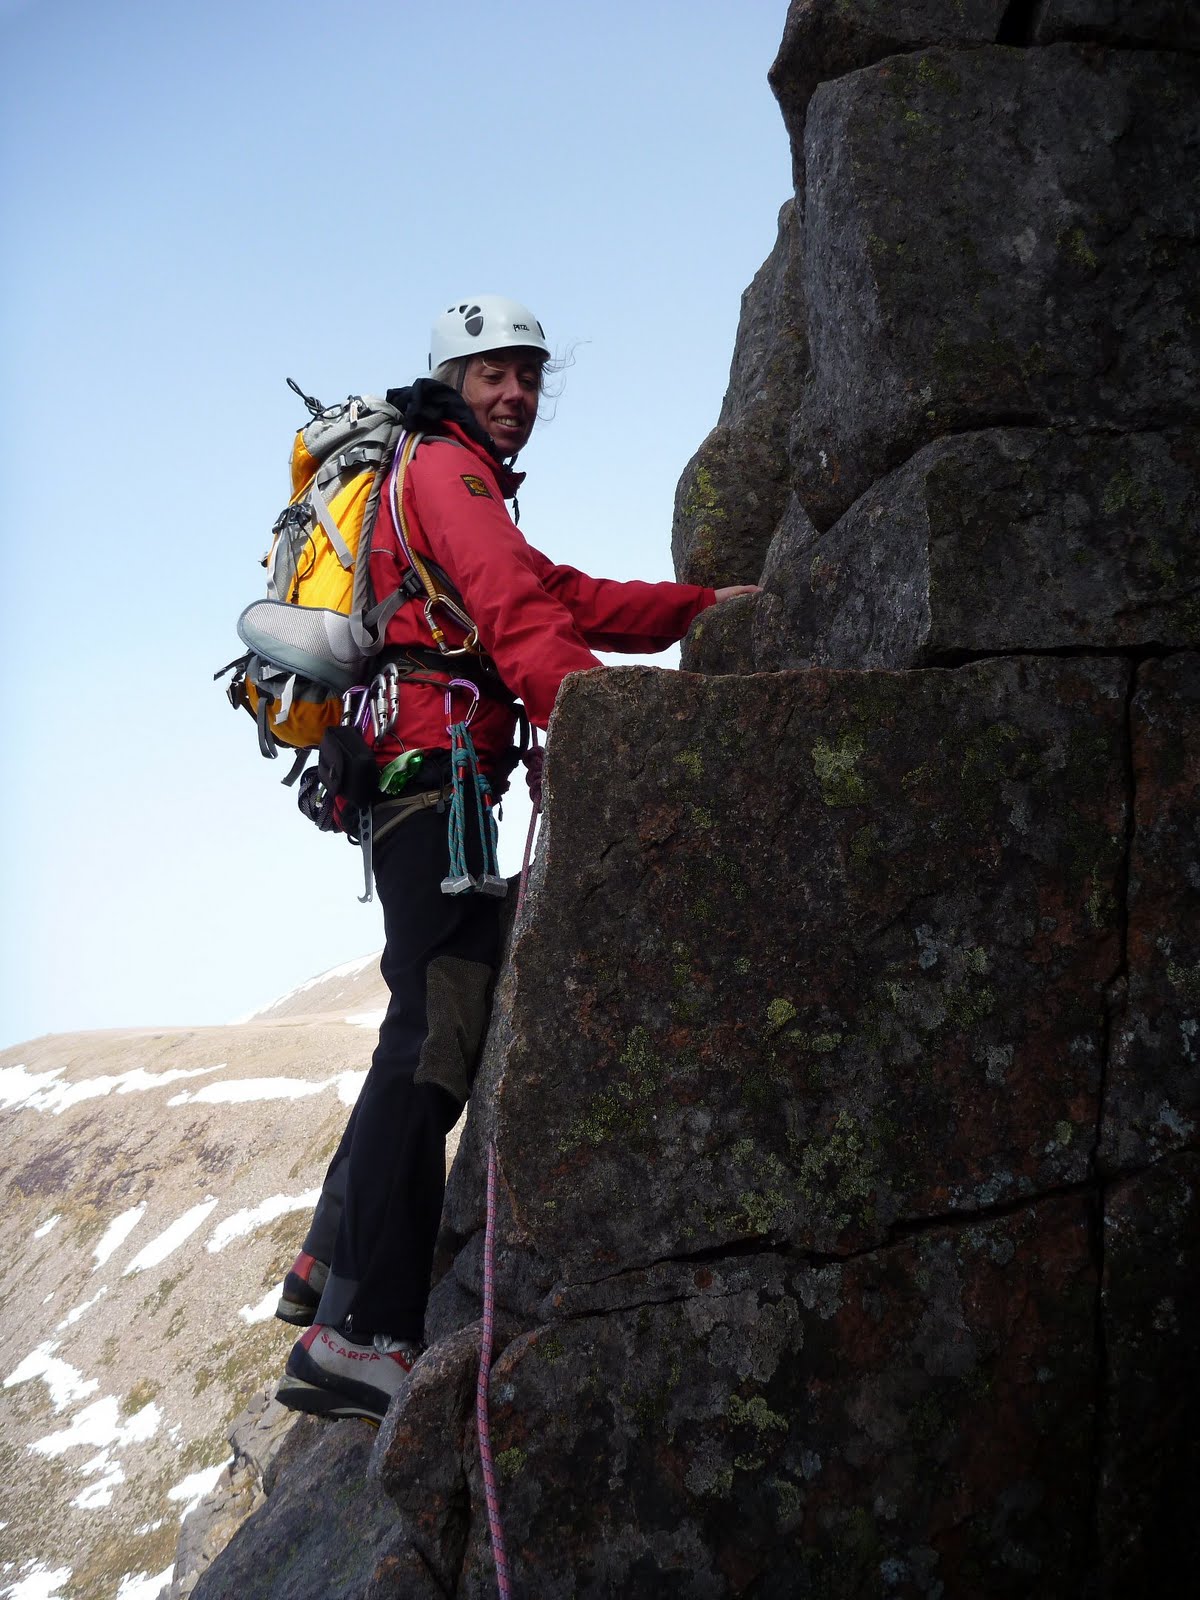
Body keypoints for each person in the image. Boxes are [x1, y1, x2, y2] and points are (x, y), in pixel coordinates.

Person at [274, 295, 757, 1421]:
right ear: (454, 380)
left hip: (418, 785)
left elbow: (555, 594)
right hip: (433, 787)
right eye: (494, 373)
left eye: (530, 377)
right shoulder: (451, 472)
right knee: (434, 1030)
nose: (517, 394)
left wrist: (697, 608)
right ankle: (363, 1333)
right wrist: (600, 729)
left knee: (422, 1014)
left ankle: (325, 1259)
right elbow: (516, 617)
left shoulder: (441, 479)